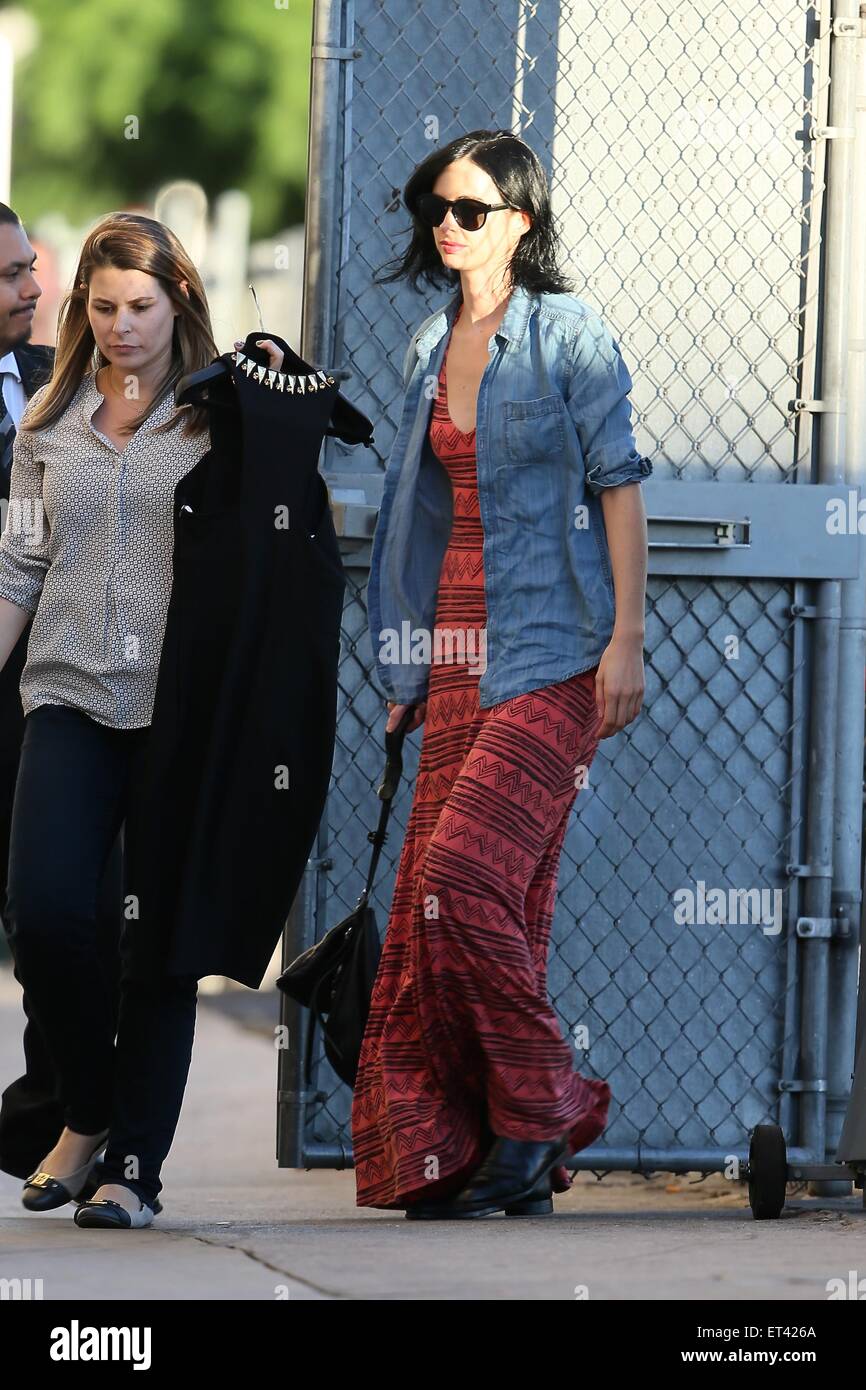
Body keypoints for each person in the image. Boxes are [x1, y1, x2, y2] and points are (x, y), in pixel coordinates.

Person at [354, 129, 652, 1218]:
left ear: (519, 220)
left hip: (557, 643)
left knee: (465, 876)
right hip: (452, 644)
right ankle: (478, 1142)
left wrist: (624, 639)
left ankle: (544, 1105)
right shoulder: (429, 341)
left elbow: (617, 486)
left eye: (470, 209)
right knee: (446, 906)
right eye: (437, 206)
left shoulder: (567, 334)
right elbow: (420, 519)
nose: (446, 224)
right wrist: (410, 663)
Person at [0, 210, 286, 1229]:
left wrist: (273, 382)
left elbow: (289, 518)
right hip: (69, 696)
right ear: (82, 307)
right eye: (104, 306)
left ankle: (133, 1168)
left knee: (157, 944)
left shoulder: (223, 417)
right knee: (48, 917)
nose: (121, 326)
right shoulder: (47, 422)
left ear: (180, 305)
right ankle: (83, 1112)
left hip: (178, 715)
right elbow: (19, 565)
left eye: (141, 307)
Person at [0, 202, 125, 1188]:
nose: (31, 290)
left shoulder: (63, 385)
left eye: (29, 270)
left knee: (64, 909)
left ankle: (61, 1110)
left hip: (66, 694)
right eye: (7, 278)